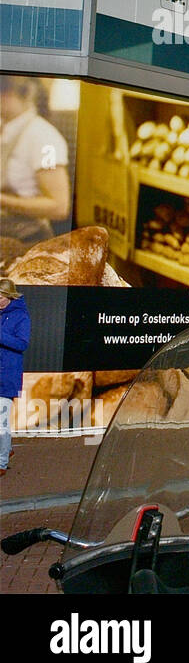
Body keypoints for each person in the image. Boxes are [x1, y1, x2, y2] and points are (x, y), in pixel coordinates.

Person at [0, 77, 71, 246]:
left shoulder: (44, 138)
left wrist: (3, 201)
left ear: (10, 94)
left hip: (28, 240)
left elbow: (59, 206)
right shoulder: (5, 128)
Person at [0, 278, 30, 477]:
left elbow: (22, 344)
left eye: (0, 297)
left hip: (6, 375)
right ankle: (7, 449)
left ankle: (1, 463)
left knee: (1, 421)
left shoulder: (21, 316)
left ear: (9, 296)